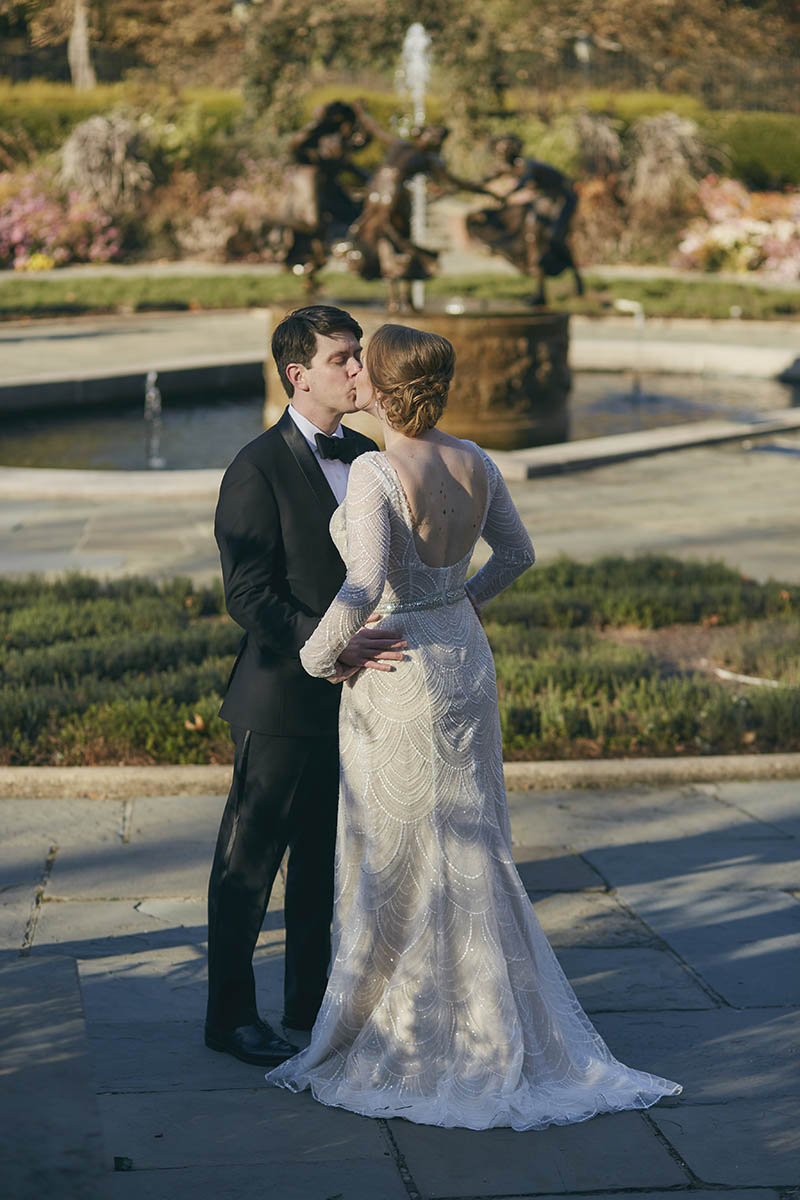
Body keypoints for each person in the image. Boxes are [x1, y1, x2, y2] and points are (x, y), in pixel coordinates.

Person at [266, 324, 681, 1129]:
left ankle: (413, 1036)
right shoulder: (477, 460)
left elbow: (363, 584)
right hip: (462, 658)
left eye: (362, 366)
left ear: (382, 389)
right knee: (469, 840)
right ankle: (490, 1026)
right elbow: (517, 556)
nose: (353, 374)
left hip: (401, 673)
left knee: (400, 852)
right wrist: (456, 605)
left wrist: (321, 657)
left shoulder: (375, 471)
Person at [205, 305, 406, 1068]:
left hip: (356, 698)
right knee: (248, 864)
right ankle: (229, 1018)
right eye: (342, 359)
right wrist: (328, 645)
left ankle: (309, 1001)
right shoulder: (255, 467)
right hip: (281, 698)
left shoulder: (366, 453)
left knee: (324, 861)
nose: (358, 369)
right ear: (299, 375)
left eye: (359, 355)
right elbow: (248, 595)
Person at [345, 106, 489, 311]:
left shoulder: (423, 157)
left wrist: (482, 189)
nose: (435, 140)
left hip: (381, 194)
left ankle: (403, 297)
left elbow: (453, 181)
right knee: (389, 241)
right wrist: (362, 113)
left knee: (394, 241)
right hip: (383, 196)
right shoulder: (405, 146)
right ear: (422, 134)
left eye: (439, 138)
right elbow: (377, 131)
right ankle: (398, 297)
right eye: (433, 134)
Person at [468, 134, 584, 305]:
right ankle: (540, 291)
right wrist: (451, 187)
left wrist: (507, 195)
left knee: (553, 238)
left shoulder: (526, 164)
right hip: (544, 199)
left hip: (563, 198)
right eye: (499, 150)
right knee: (533, 239)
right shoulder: (503, 167)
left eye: (506, 149)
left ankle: (575, 277)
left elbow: (524, 181)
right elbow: (480, 182)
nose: (502, 153)